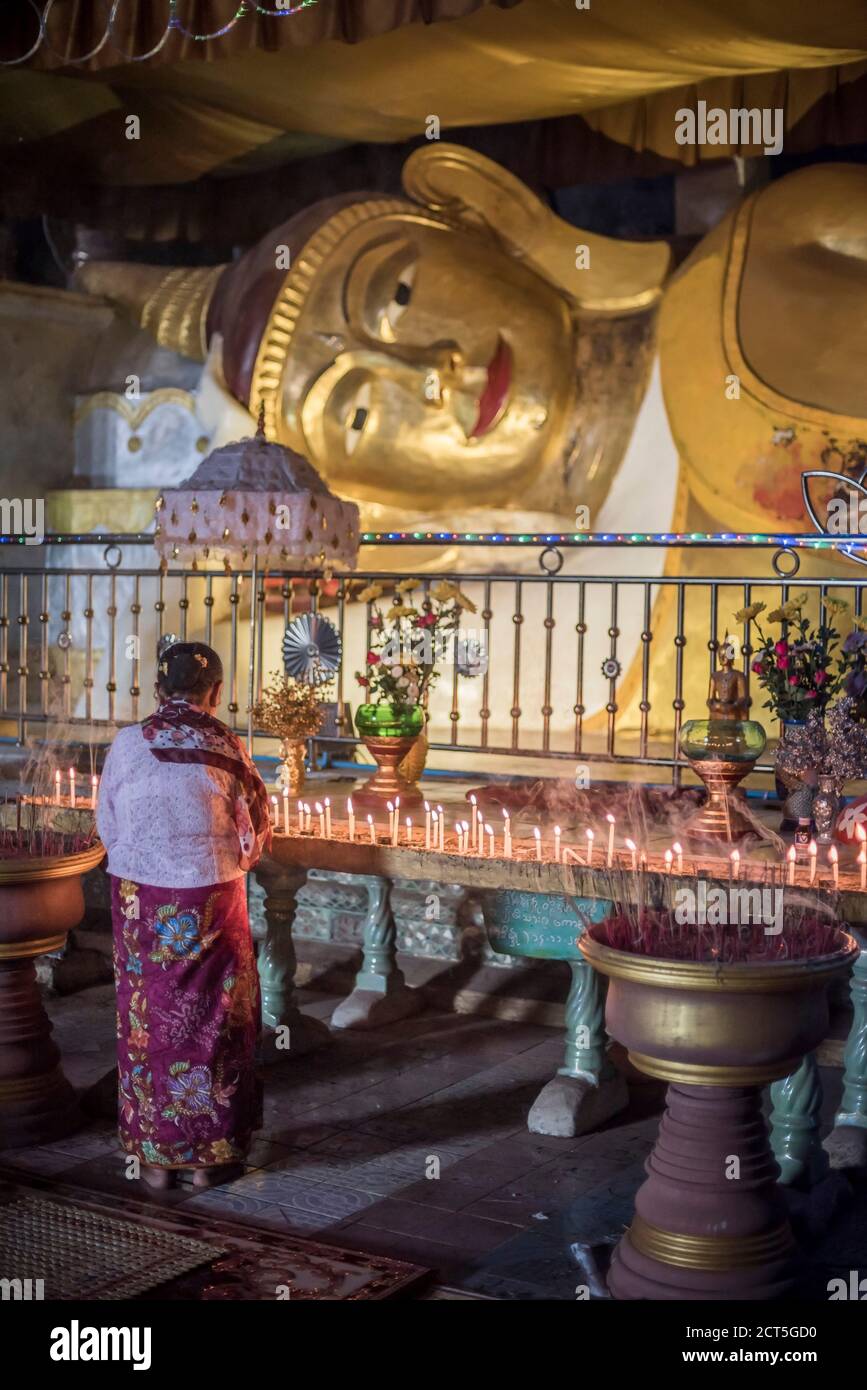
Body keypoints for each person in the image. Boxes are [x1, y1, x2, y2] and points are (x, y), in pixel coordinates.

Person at [96, 640, 271, 1190]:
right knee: (216, 1020)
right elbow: (253, 839)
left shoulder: (127, 745)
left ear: (156, 689)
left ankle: (153, 1158)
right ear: (215, 693)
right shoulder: (229, 748)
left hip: (140, 903)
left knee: (148, 1024)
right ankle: (208, 1159)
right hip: (211, 900)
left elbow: (110, 828)